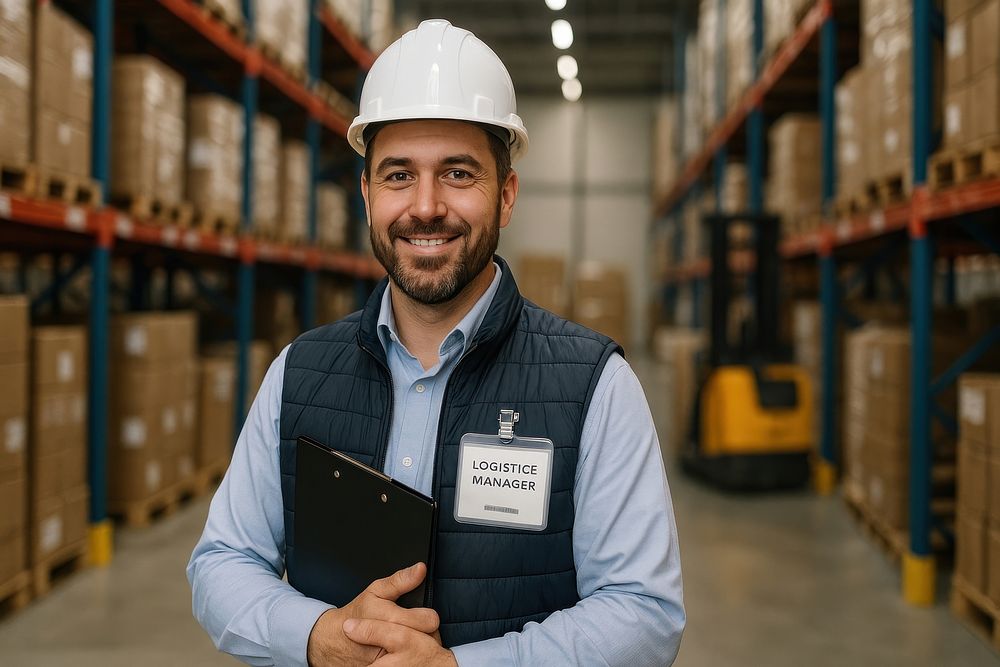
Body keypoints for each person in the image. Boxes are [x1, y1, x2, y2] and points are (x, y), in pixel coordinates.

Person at [188, 18, 684, 666]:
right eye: (397, 175)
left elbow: (643, 612)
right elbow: (223, 560)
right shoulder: (298, 373)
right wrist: (317, 636)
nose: (425, 206)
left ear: (505, 195)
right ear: (366, 195)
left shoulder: (594, 388)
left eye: (456, 173)